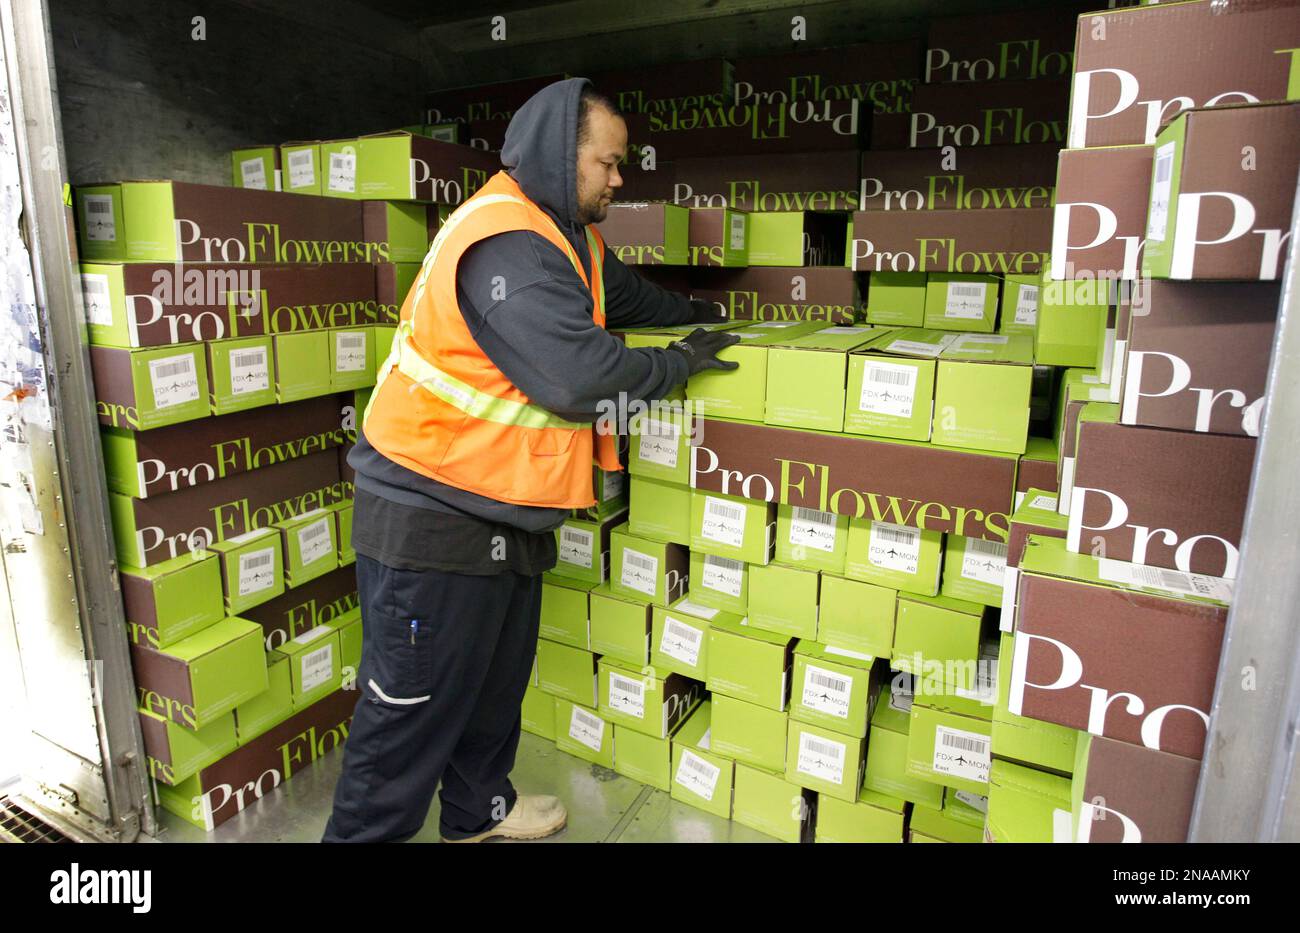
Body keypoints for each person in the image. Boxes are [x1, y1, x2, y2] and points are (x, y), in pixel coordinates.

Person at [322, 77, 740, 843]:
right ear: (559, 154)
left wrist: (711, 317)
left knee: (490, 689)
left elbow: (628, 298)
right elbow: (581, 381)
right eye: (608, 164)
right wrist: (679, 365)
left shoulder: (566, 234)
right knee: (406, 720)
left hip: (502, 510)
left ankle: (477, 812)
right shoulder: (504, 243)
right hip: (432, 518)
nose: (619, 178)